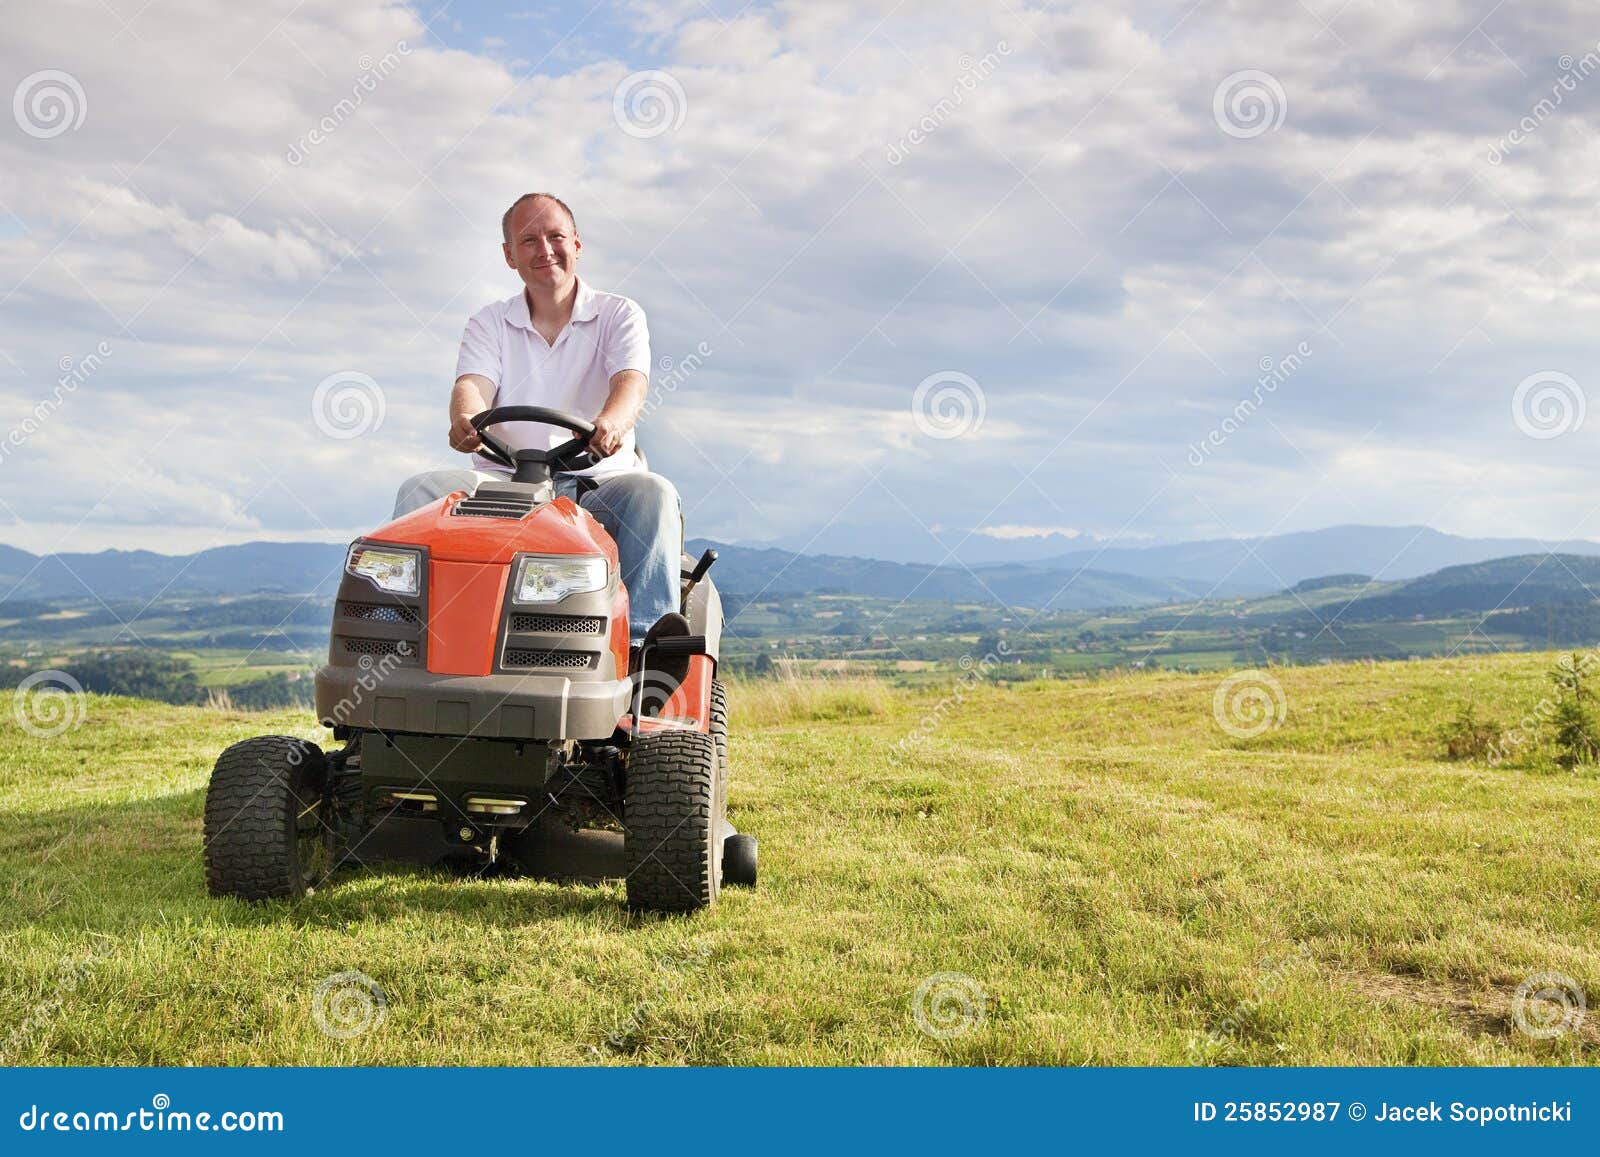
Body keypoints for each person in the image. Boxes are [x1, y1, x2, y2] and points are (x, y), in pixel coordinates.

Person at [391, 193, 682, 644]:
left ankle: (642, 647)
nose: (545, 250)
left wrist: (612, 422)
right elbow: (472, 386)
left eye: (555, 236)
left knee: (653, 493)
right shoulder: (490, 323)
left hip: (595, 483)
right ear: (509, 255)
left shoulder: (619, 314)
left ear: (577, 244)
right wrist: (465, 417)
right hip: (502, 485)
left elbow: (631, 383)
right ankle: (403, 638)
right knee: (421, 491)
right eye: (528, 240)